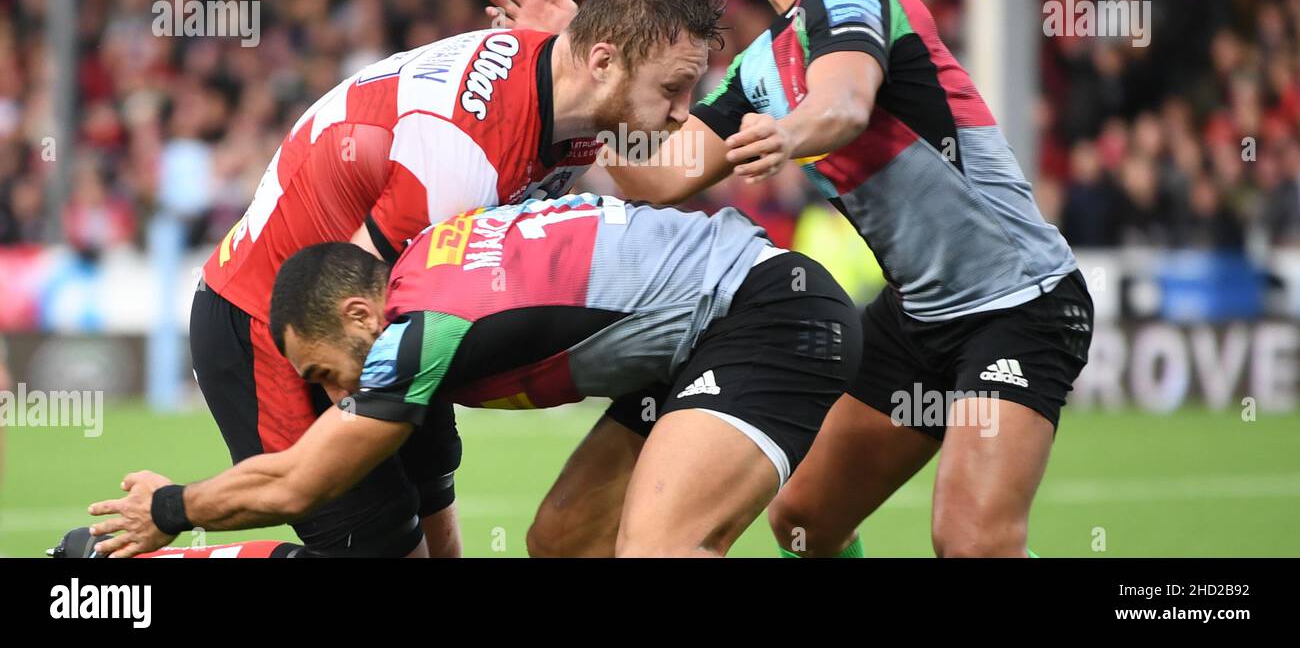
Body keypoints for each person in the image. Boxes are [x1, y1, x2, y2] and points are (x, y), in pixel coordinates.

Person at [490, 0, 1093, 559]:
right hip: (920, 318)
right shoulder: (759, 65)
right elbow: (653, 176)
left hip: (1019, 301)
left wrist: (788, 133)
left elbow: (843, 103)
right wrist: (587, 63)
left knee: (972, 541)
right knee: (804, 518)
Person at [190, 0, 722, 557]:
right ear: (602, 61)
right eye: (673, 89)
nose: (683, 112)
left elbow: (655, 174)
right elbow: (344, 316)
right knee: (375, 545)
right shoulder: (459, 156)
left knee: (435, 514)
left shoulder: (576, 83)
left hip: (390, 303)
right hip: (282, 325)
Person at [87, 194, 861, 558]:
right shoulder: (429, 258)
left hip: (769, 315)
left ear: (362, 313)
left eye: (323, 374)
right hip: (700, 337)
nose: (331, 398)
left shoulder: (421, 331)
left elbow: (300, 482)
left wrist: (172, 506)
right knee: (563, 540)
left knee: (657, 548)